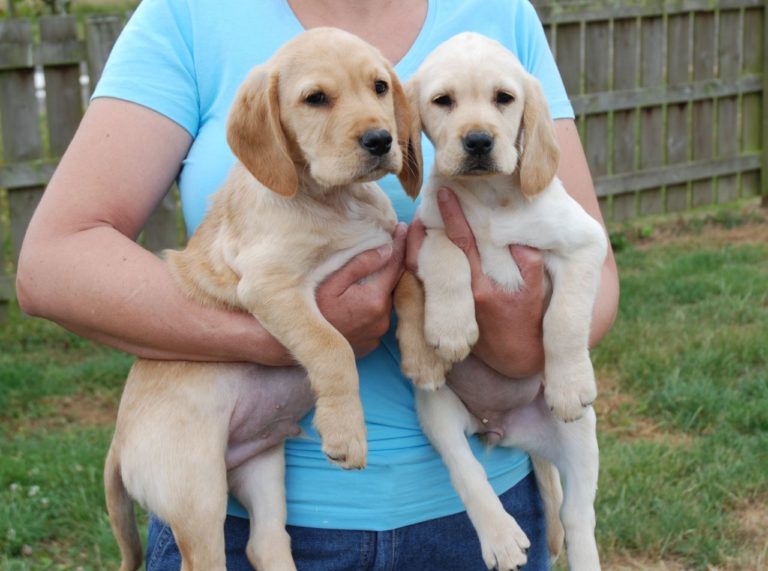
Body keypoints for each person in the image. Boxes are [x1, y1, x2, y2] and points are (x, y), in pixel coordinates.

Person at [16, 0, 619, 569]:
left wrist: (512, 349)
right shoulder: (188, 14)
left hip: (484, 509)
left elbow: (589, 262)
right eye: (318, 99)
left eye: (383, 91)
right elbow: (53, 265)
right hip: (234, 505)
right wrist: (286, 341)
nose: (375, 121)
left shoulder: (501, 14)